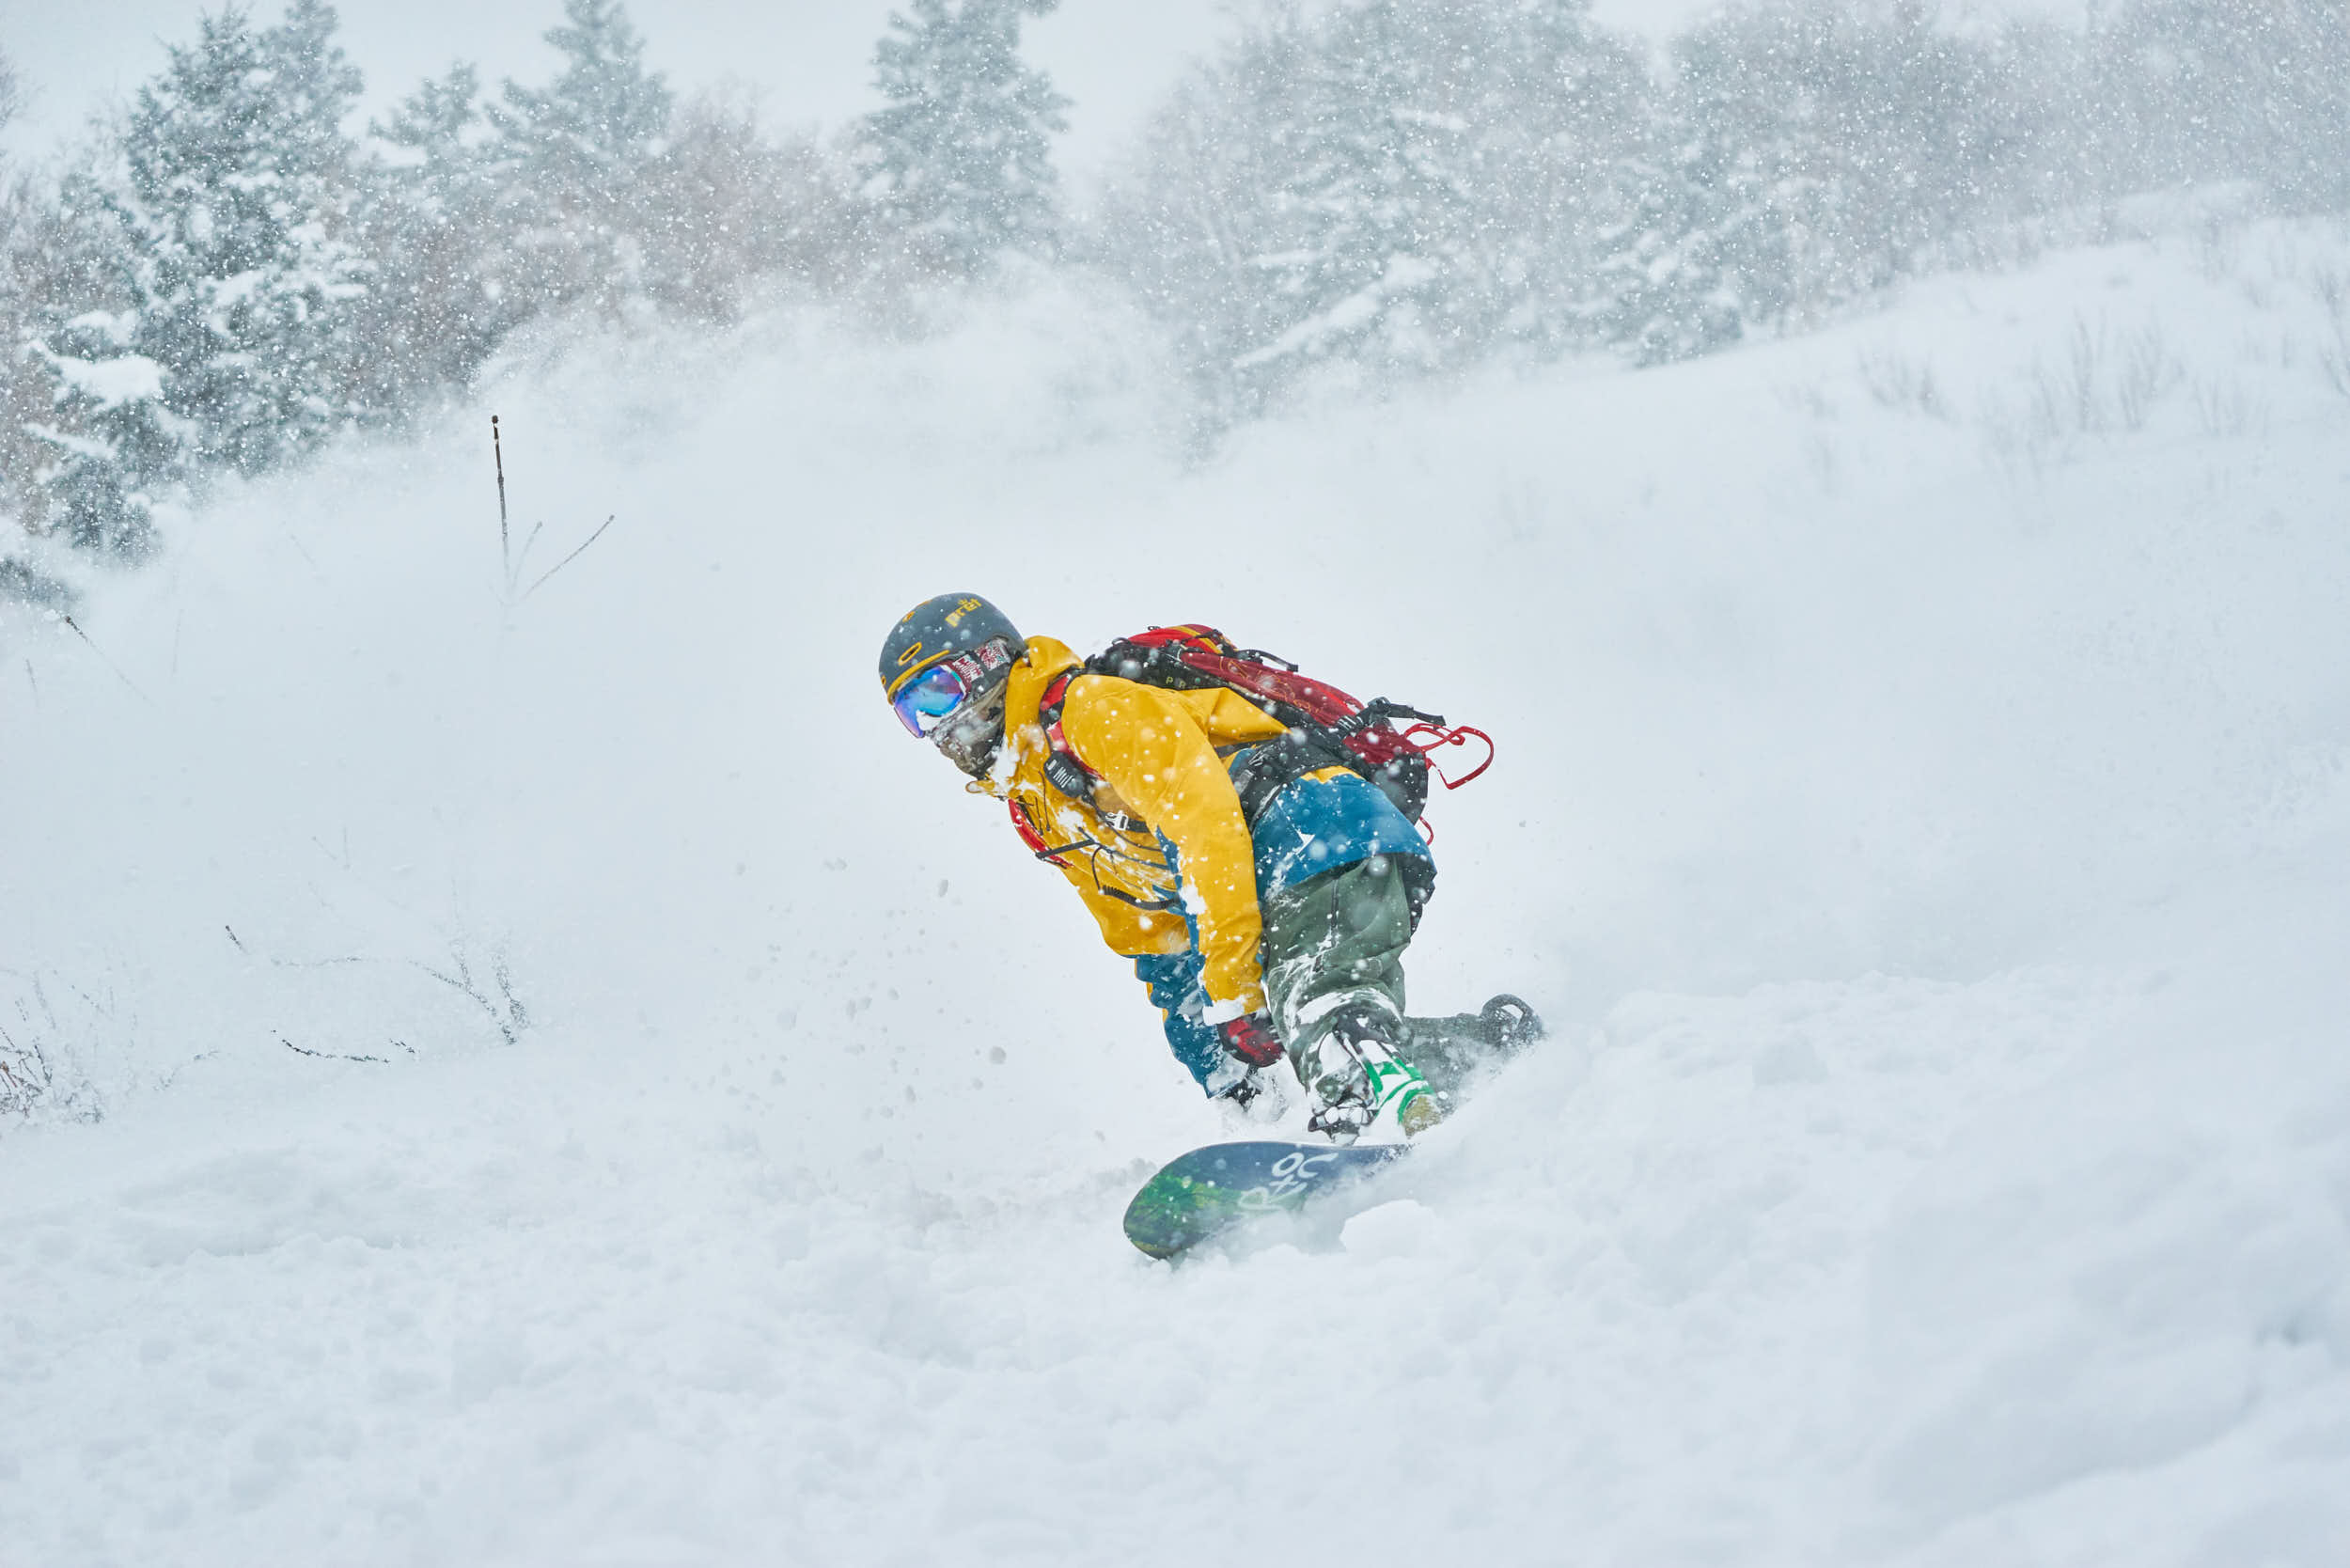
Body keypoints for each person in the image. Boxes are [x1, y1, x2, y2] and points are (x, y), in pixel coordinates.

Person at [880, 593, 1538, 1141]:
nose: (938, 727)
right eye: (915, 715)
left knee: (1322, 1006)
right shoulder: (1038, 805)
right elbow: (1153, 937)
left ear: (992, 664)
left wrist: (1233, 986)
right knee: (1303, 1026)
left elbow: (1205, 829)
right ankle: (1488, 1055)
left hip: (1317, 829)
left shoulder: (1091, 710)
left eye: (940, 692)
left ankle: (1401, 1131)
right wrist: (1230, 1075)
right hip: (1272, 879)